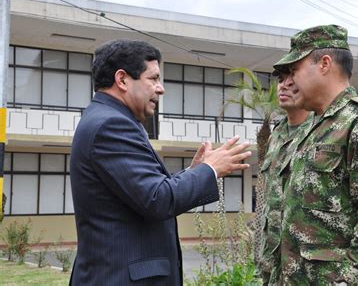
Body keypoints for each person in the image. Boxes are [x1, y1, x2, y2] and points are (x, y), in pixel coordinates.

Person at [69, 39, 251, 285]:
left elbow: (144, 193)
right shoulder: (112, 125)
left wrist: (192, 172)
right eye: (153, 79)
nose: (161, 88)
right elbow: (157, 199)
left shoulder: (107, 119)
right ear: (122, 80)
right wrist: (210, 169)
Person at [272, 24, 358, 284]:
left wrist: (347, 280)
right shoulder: (311, 128)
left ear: (324, 64)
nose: (289, 81)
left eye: (294, 70)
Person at [256, 70, 313, 285]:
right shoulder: (277, 134)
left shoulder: (322, 131)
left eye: (292, 79)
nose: (284, 85)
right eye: (280, 80)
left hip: (306, 263)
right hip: (273, 260)